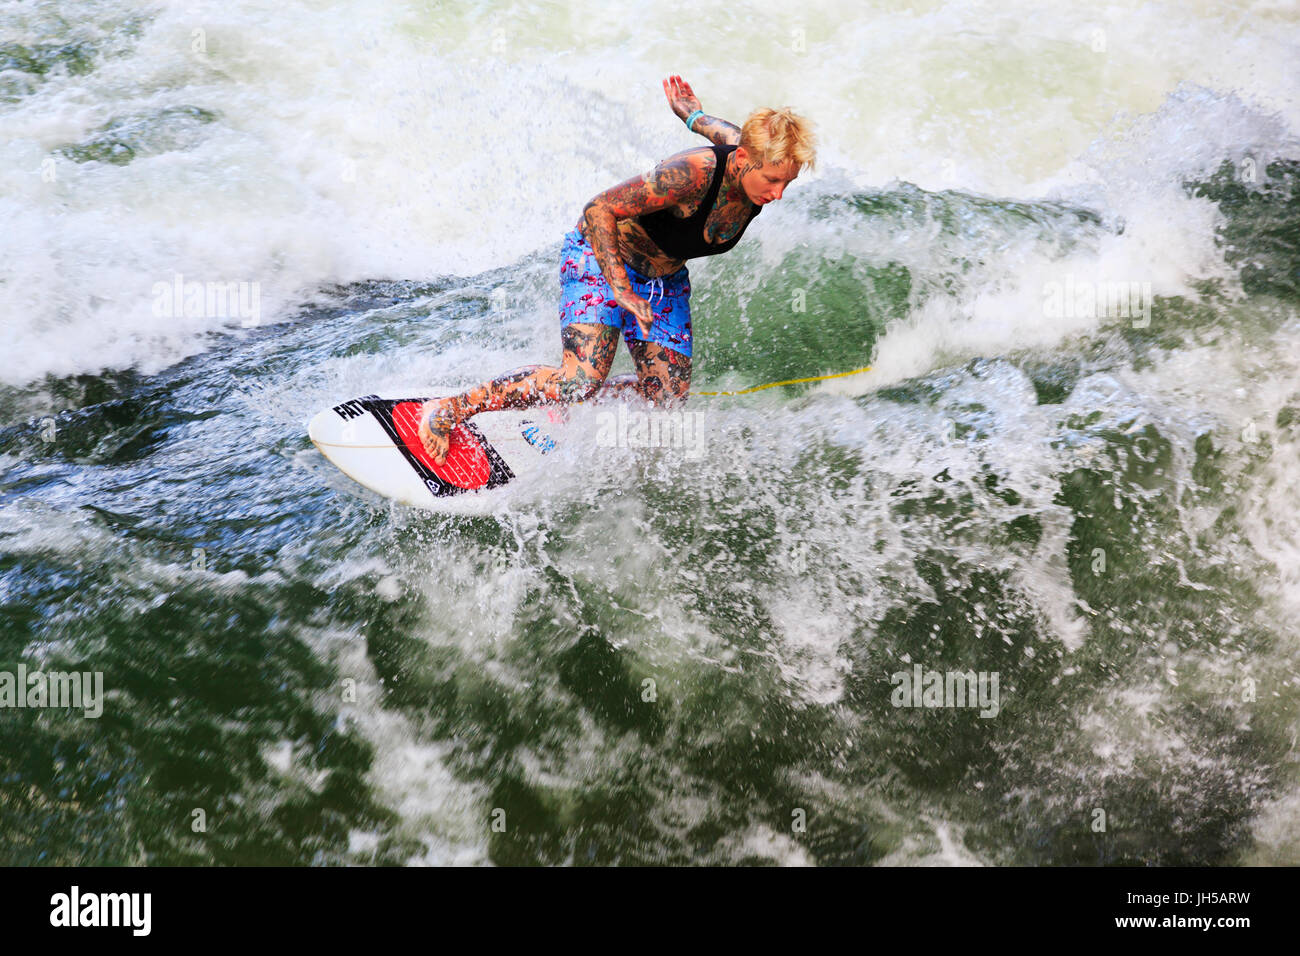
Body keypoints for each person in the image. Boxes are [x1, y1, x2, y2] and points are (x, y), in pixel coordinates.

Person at [418, 75, 816, 464]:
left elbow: (725, 131)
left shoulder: (754, 161)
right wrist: (622, 289)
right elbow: (599, 209)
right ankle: (451, 409)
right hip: (601, 257)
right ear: (744, 160)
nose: (777, 194)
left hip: (663, 279)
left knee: (666, 401)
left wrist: (693, 116)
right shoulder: (691, 175)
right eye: (773, 180)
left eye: (788, 182)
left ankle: (564, 406)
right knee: (579, 380)